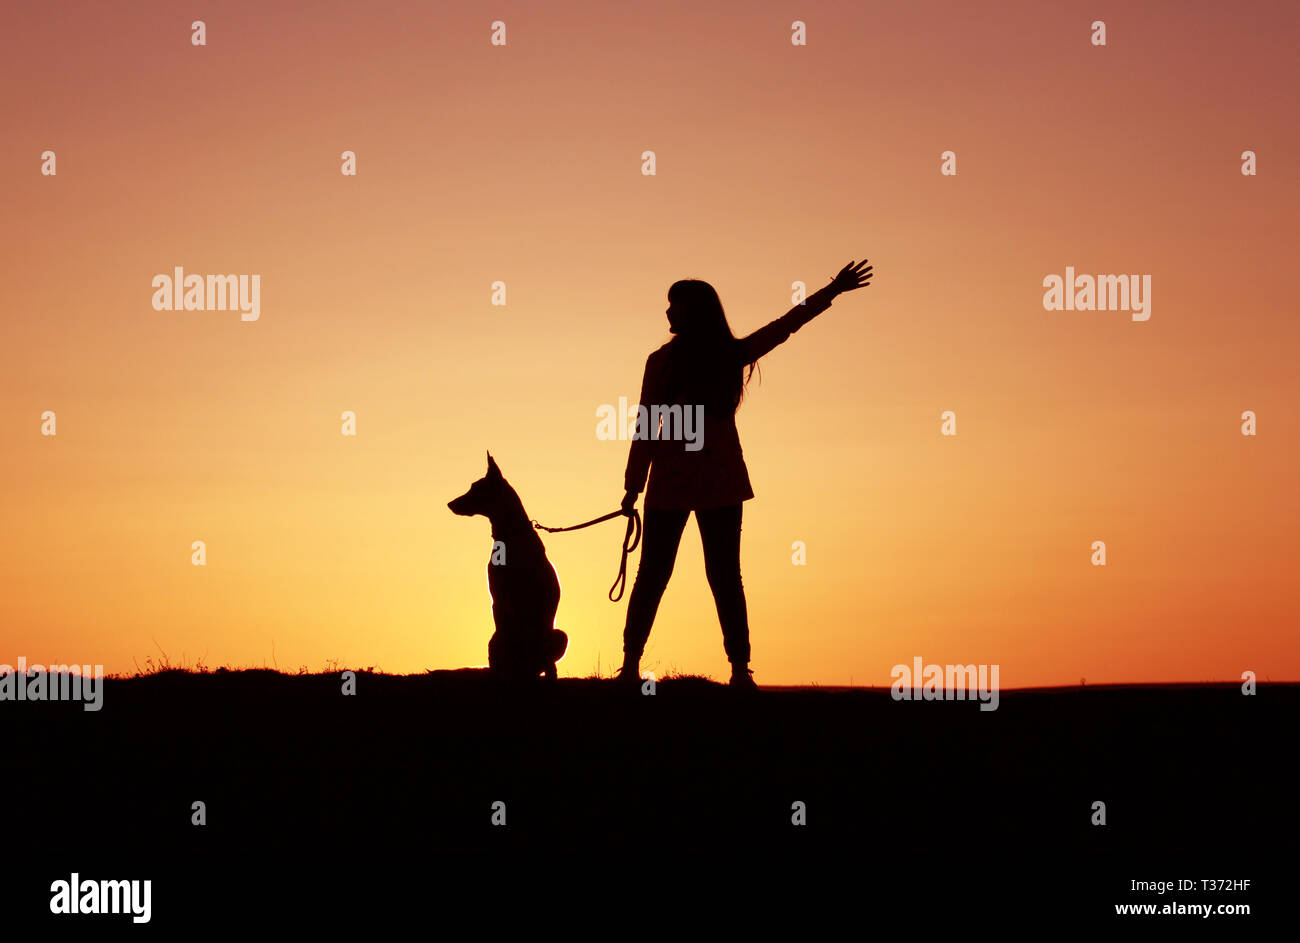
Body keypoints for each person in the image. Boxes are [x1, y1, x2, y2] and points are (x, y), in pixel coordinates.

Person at [617, 259, 873, 689]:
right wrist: (631, 484)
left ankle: (718, 668)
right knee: (699, 576)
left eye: (673, 305)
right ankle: (655, 666)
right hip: (699, 482)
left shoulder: (712, 357)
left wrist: (831, 292)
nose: (667, 314)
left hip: (699, 481)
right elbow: (645, 423)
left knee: (691, 575)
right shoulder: (676, 361)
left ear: (692, 311)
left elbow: (786, 325)